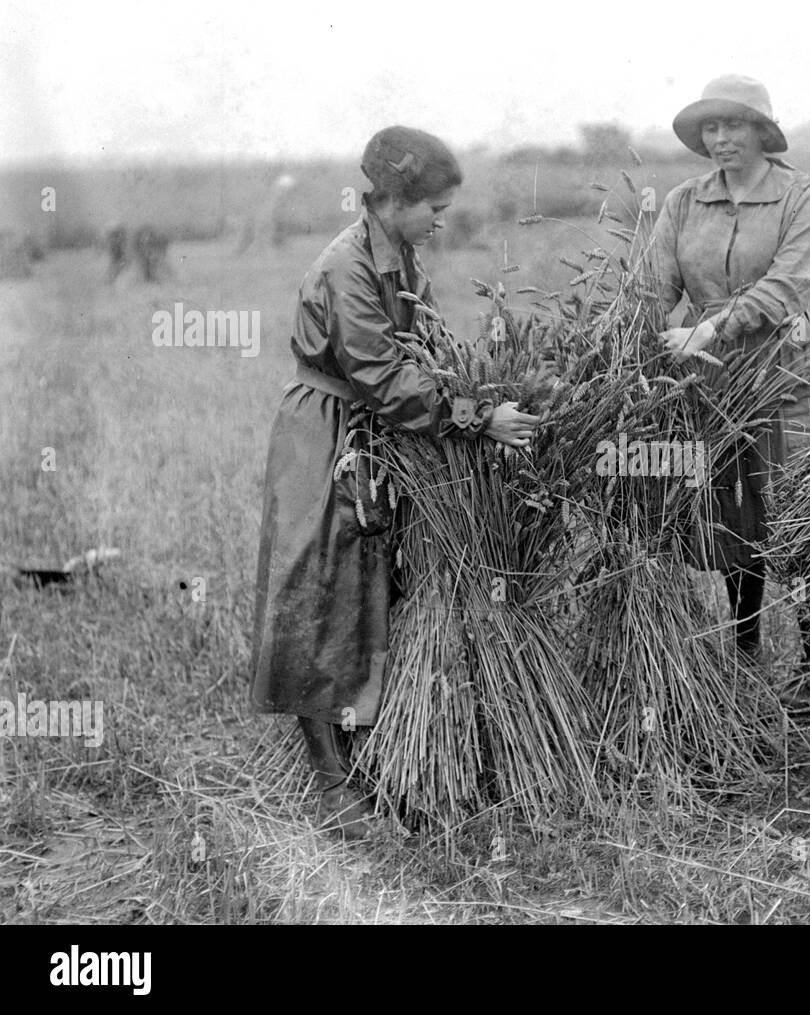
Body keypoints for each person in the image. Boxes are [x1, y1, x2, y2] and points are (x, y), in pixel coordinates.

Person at [250, 126, 539, 838]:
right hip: (328, 435)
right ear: (396, 200)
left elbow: (424, 346)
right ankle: (330, 783)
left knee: (371, 586)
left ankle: (364, 745)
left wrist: (477, 376)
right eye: (434, 208)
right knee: (321, 592)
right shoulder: (347, 267)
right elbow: (383, 380)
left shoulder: (401, 255)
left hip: (369, 435)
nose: (442, 221)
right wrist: (476, 417)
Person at [651, 74, 810, 667]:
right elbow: (652, 290)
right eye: (710, 126)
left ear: (762, 131)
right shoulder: (683, 202)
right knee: (735, 510)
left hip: (784, 373)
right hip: (711, 380)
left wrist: (711, 326)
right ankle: (746, 645)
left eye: (732, 124)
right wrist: (627, 346)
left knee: (794, 505)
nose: (720, 137)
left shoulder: (803, 196)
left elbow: (787, 284)